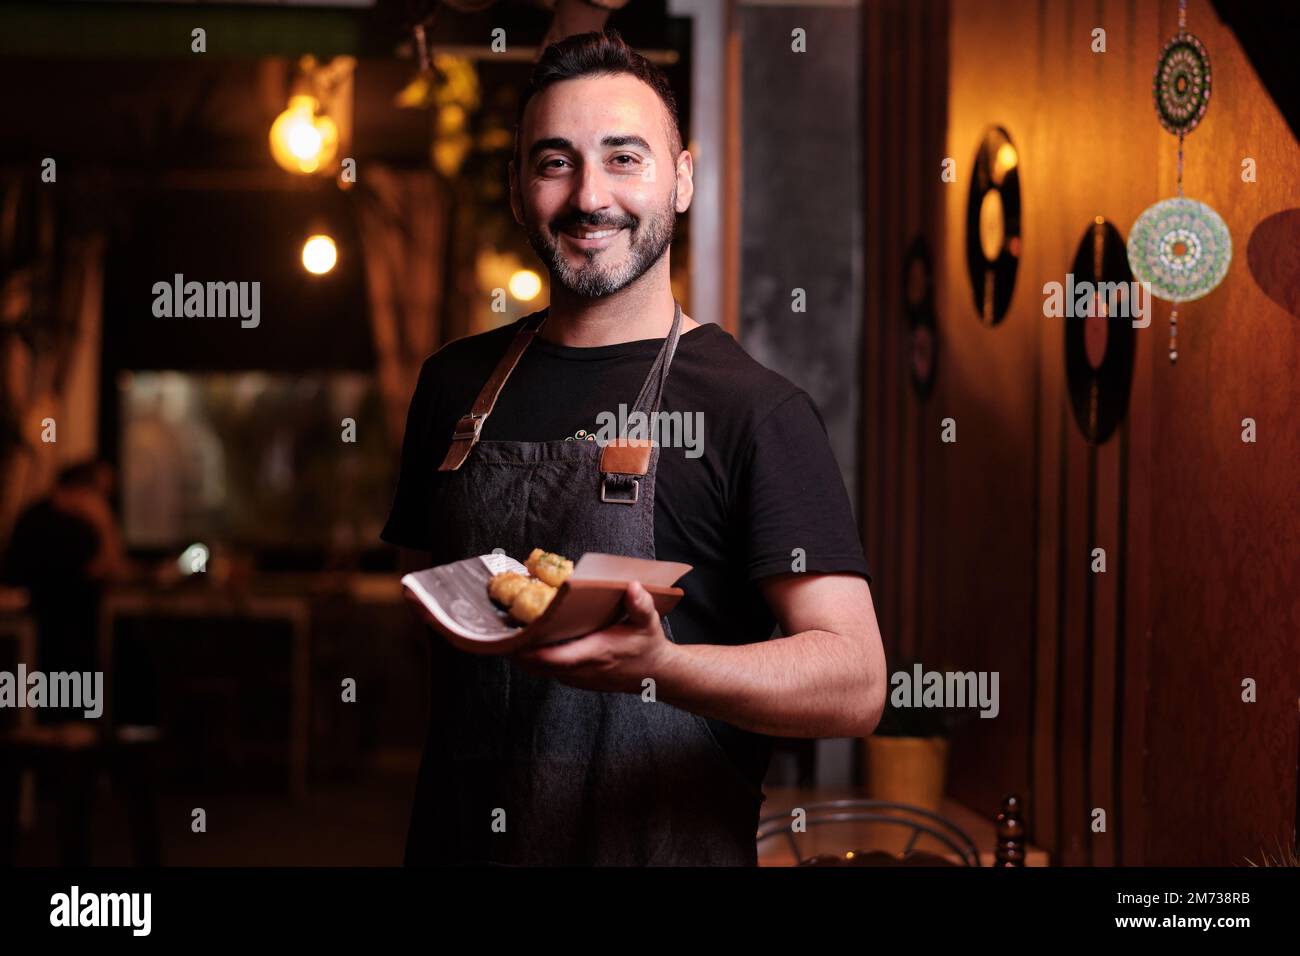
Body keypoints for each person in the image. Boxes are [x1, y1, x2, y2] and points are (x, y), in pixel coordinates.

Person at [381, 28, 886, 865]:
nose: (590, 196)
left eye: (625, 159)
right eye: (555, 162)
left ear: (681, 179)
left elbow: (856, 682)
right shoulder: (452, 388)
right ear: (518, 189)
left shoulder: (754, 411)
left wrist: (663, 665)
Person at [4, 460, 133, 721]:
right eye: (101, 494)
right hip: (59, 641)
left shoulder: (35, 513)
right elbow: (112, 570)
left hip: (46, 641)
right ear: (83, 490)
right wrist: (104, 522)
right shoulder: (65, 525)